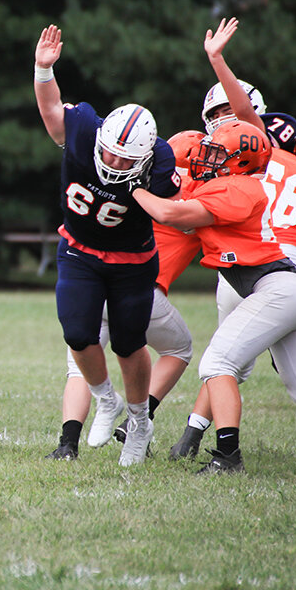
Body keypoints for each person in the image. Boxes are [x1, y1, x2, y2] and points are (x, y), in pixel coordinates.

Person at [131, 18, 296, 473]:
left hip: (276, 288)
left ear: (239, 160)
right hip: (290, 285)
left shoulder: (235, 190)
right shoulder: (242, 177)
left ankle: (227, 456)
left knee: (218, 362)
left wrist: (132, 187)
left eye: (219, 153)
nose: (209, 156)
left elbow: (171, 214)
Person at [31, 24, 180, 466]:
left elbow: (165, 212)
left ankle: (139, 421)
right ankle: (105, 398)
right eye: (111, 152)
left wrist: (138, 189)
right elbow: (52, 112)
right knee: (77, 334)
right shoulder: (83, 128)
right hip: (79, 248)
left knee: (129, 345)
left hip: (132, 261)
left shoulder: (159, 162)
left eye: (125, 158)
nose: (114, 161)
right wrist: (43, 70)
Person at [48, 130, 202, 460]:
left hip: (93, 274)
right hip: (137, 286)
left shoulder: (123, 176)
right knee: (178, 348)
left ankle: (68, 443)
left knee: (80, 358)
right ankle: (137, 422)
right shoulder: (187, 193)